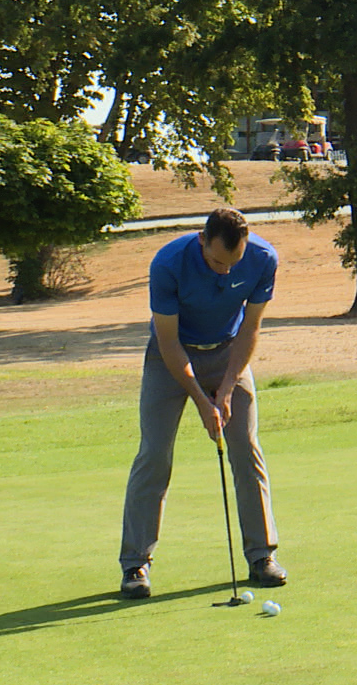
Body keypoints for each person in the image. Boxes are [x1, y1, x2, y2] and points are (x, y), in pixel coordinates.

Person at [119, 208, 288, 599]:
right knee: (155, 453)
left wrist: (226, 390)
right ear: (201, 241)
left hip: (229, 353)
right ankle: (135, 564)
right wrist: (201, 400)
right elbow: (168, 341)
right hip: (172, 359)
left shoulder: (264, 259)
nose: (225, 272)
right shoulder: (168, 263)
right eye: (216, 262)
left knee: (245, 448)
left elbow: (251, 328)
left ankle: (262, 556)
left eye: (234, 263)